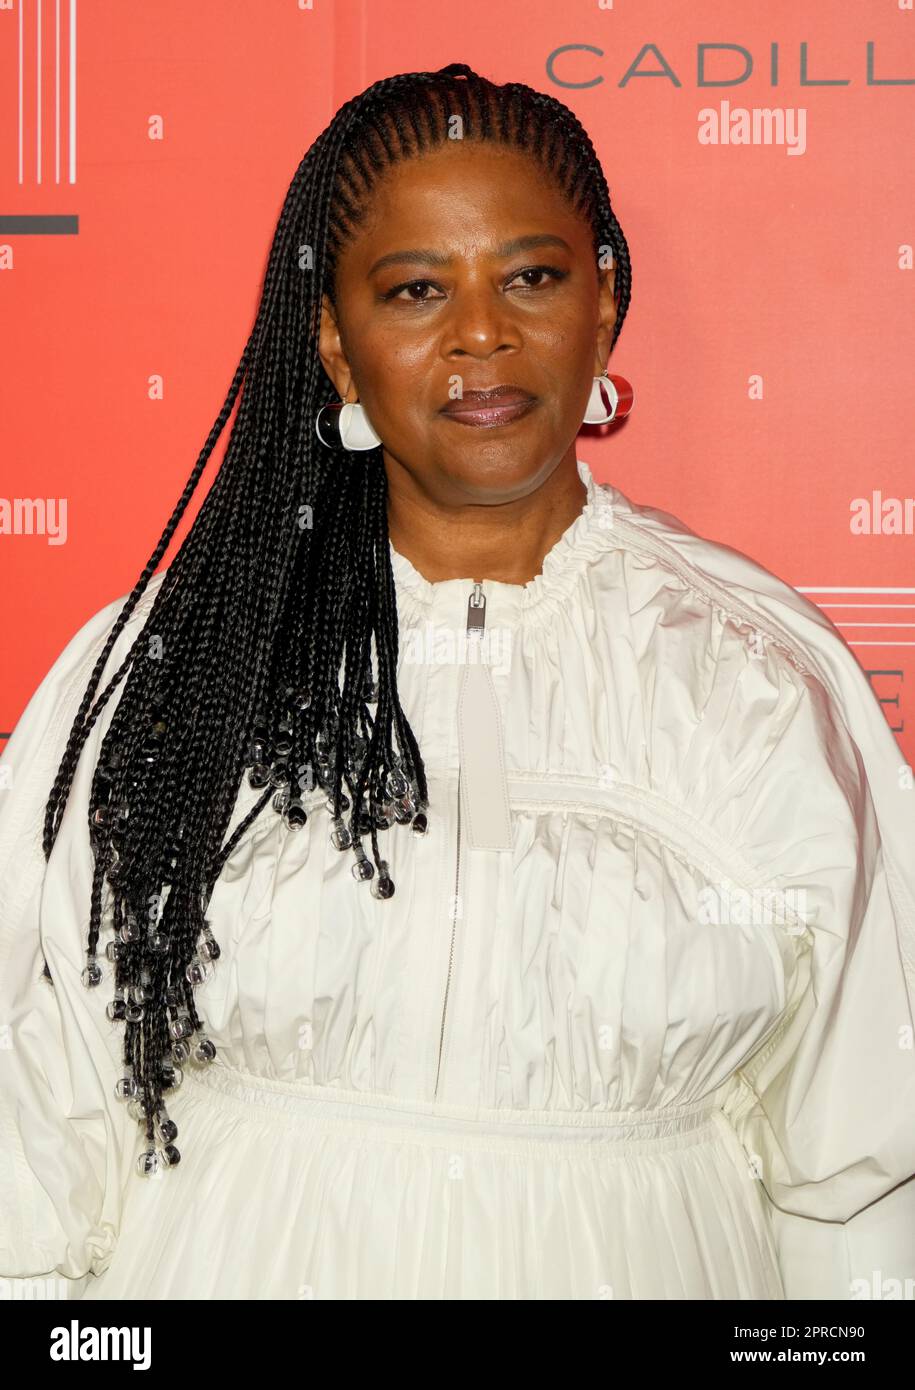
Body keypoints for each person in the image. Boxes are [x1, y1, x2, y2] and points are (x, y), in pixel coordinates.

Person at [1, 61, 913, 1302]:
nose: (482, 332)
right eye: (417, 289)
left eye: (532, 276)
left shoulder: (757, 680)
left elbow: (860, 1181)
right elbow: (33, 1136)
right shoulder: (177, 668)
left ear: (605, 302)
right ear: (335, 341)